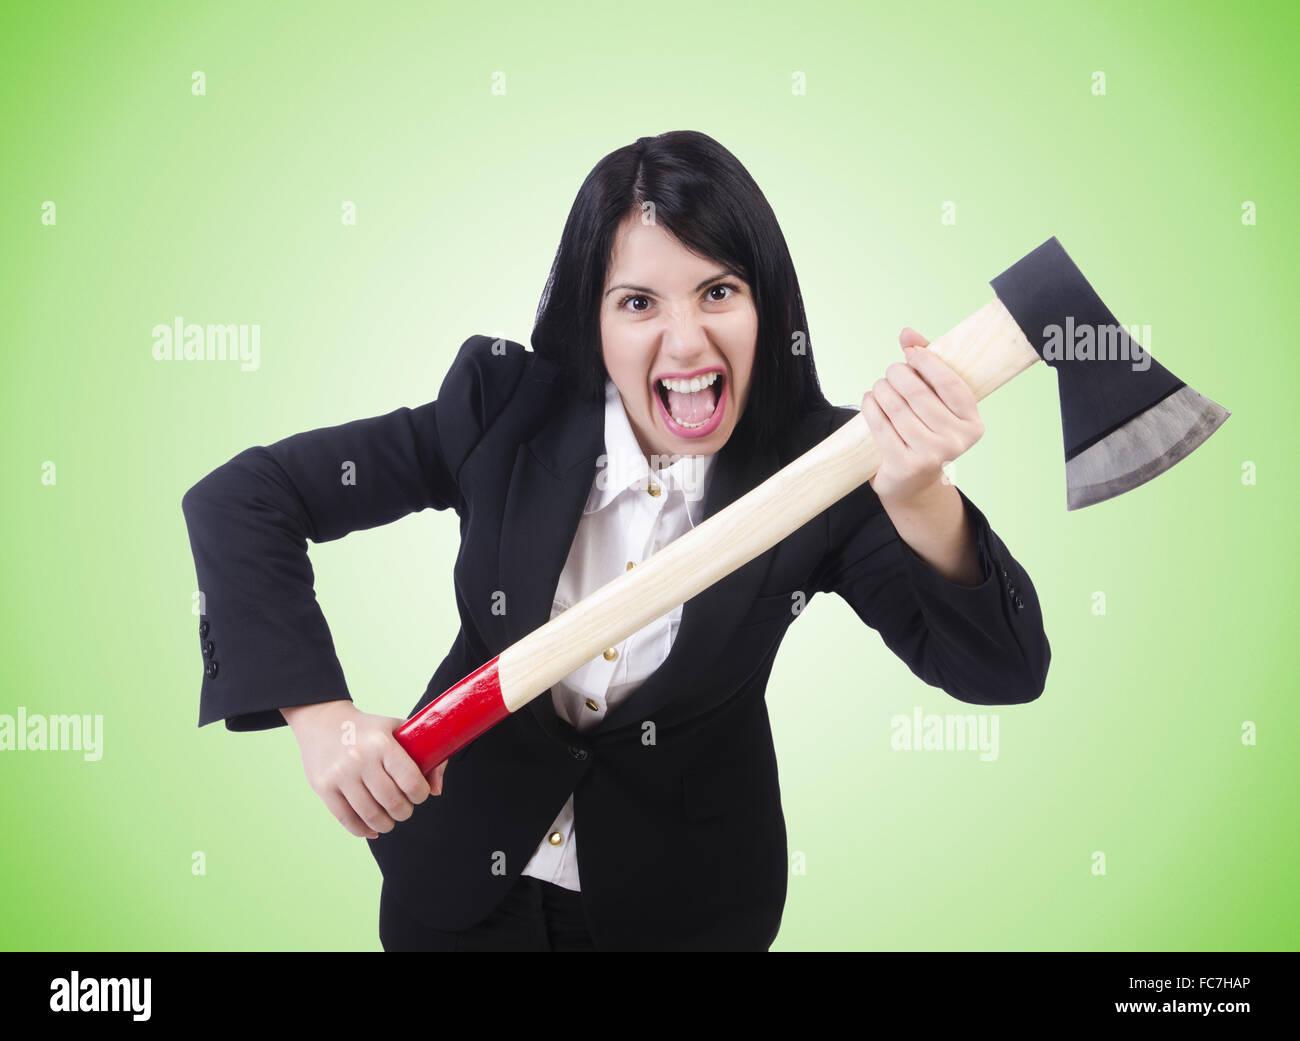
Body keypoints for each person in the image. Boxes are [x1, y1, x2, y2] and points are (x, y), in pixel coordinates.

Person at [180, 130, 1050, 952]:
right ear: (594, 319)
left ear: (766, 304)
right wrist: (320, 718)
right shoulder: (501, 411)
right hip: (454, 891)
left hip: (681, 913)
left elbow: (1001, 671)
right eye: (638, 302)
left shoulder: (825, 470)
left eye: (719, 291)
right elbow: (245, 498)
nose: (685, 340)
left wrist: (920, 493)